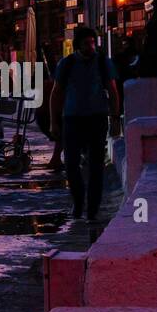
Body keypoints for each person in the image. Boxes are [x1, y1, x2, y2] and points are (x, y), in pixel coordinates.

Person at [49, 26, 120, 221]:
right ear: (77, 45)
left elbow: (113, 91)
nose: (90, 47)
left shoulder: (103, 63)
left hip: (97, 118)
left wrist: (115, 119)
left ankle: (93, 209)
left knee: (96, 166)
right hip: (72, 119)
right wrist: (54, 122)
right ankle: (79, 202)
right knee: (71, 164)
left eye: (92, 42)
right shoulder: (67, 64)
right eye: (86, 43)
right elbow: (56, 93)